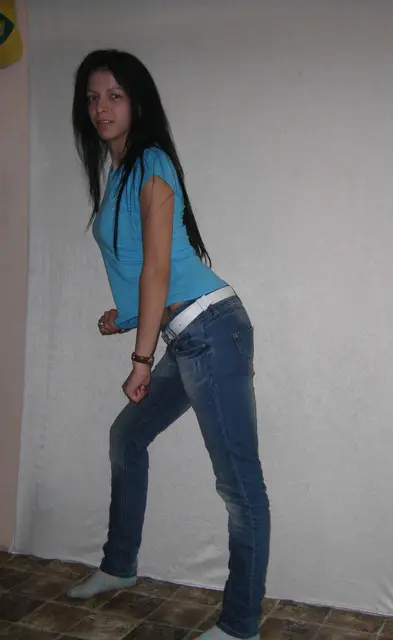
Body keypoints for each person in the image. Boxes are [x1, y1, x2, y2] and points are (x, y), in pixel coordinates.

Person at [67, 49, 270, 640]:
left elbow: (159, 267)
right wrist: (128, 317)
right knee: (127, 436)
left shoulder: (151, 161)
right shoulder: (121, 171)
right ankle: (120, 566)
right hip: (187, 336)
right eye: (92, 97)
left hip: (212, 330)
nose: (101, 108)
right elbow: (148, 269)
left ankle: (240, 626)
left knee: (239, 486)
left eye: (115, 95)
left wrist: (140, 358)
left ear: (137, 102)